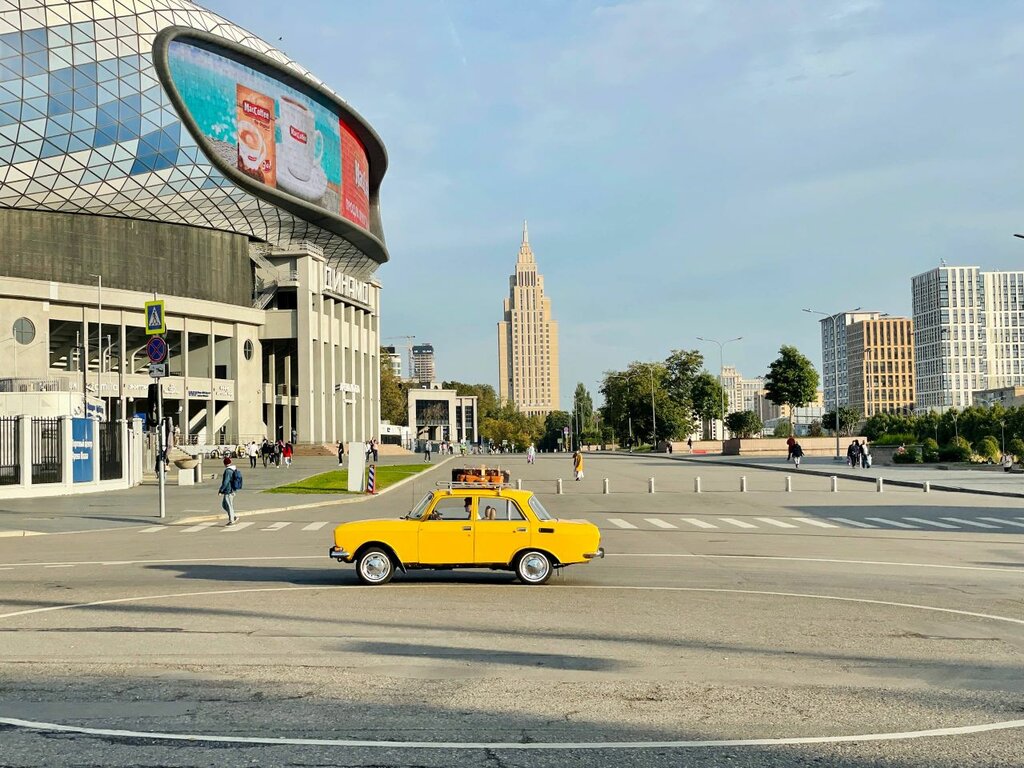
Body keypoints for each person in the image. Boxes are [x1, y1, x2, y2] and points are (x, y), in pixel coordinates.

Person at [218, 456, 240, 525]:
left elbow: (226, 482)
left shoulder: (228, 471)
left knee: (229, 505)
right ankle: (233, 516)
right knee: (224, 505)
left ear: (224, 464)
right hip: (231, 489)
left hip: (228, 490)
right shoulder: (233, 469)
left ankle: (232, 520)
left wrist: (221, 490)